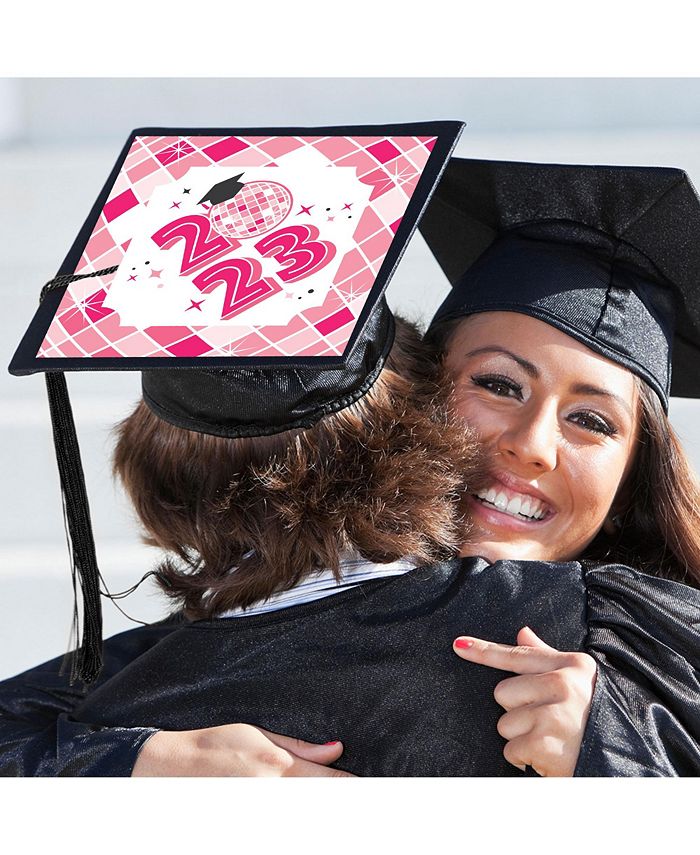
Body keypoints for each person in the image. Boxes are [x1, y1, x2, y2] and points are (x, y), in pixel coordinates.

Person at [2, 156, 700, 777]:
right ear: (413, 398)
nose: (533, 444)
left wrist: (617, 753)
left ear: (631, 478)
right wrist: (143, 765)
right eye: (498, 384)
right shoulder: (189, 661)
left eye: (592, 421)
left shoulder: (644, 655)